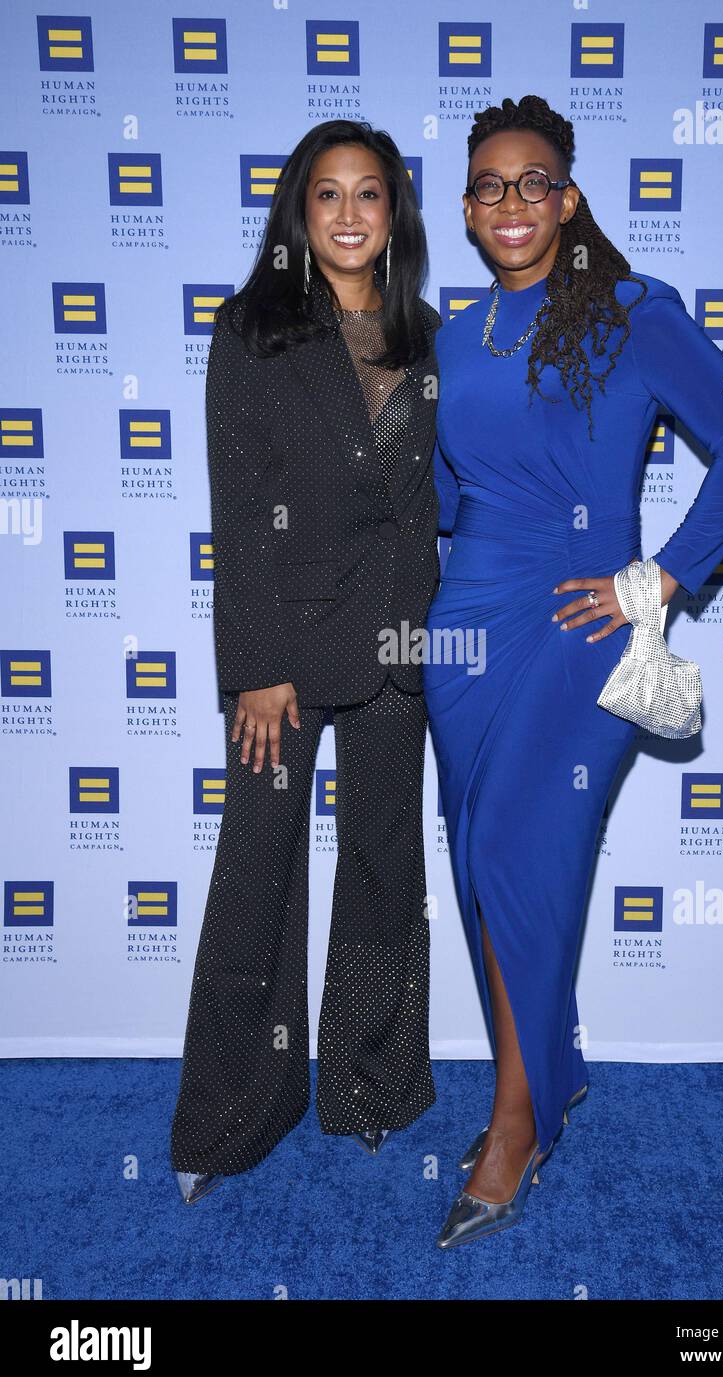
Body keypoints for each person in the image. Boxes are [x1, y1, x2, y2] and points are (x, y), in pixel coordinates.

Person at [424, 95, 723, 1248]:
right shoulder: (450, 334)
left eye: (534, 181)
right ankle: (548, 1074)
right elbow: (439, 497)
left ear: (567, 200)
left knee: (507, 853)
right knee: (482, 871)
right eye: (490, 185)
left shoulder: (630, 312)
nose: (512, 201)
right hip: (462, 628)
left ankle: (516, 1120)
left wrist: (662, 577)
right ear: (469, 213)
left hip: (578, 623)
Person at [170, 120, 443, 1203]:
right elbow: (238, 513)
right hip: (284, 649)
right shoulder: (252, 332)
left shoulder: (427, 335)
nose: (345, 214)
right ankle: (231, 1113)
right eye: (324, 194)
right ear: (297, 212)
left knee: (384, 873)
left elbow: (431, 498)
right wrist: (260, 664)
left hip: (397, 639)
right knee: (257, 876)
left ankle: (370, 1087)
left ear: (393, 215)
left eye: (367, 194)